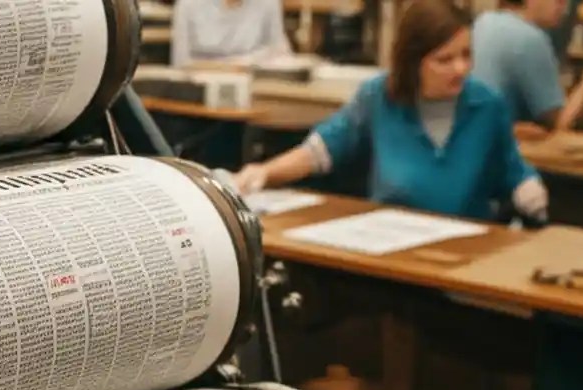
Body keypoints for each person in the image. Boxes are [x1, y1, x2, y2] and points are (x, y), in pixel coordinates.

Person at [233, 0, 548, 223]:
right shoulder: (378, 96)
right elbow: (322, 149)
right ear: (412, 60)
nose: (461, 68)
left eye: (467, 55)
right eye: (444, 59)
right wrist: (265, 172)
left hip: (467, 250)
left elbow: (511, 169)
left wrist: (528, 188)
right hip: (393, 241)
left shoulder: (487, 105)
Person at [471, 0, 583, 132]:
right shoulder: (530, 37)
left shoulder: (484, 21)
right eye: (558, 1)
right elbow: (560, 122)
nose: (564, 9)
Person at [170, 0, 293, 68]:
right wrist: (232, 68)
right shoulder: (188, 4)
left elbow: (278, 53)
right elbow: (181, 63)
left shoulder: (268, 3)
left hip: (256, 86)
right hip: (199, 87)